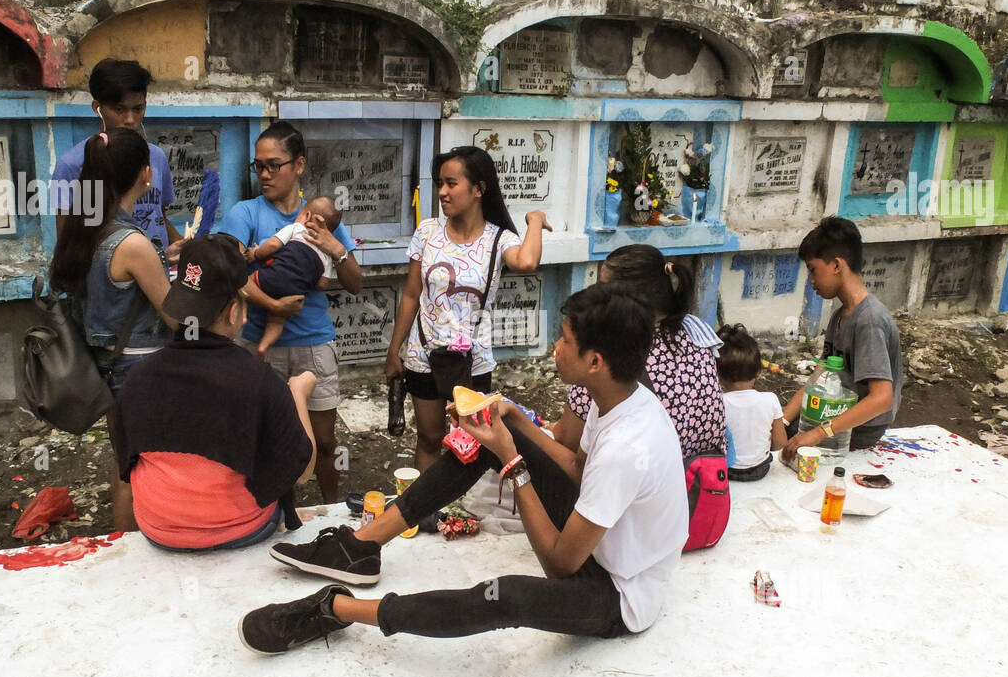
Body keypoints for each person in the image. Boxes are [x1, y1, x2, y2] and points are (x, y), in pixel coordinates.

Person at [239, 284, 687, 654]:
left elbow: (561, 564)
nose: (555, 348)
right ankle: (362, 545)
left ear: (594, 361)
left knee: (504, 597)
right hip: (599, 542)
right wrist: (510, 416)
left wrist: (513, 462)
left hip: (618, 592)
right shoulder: (618, 396)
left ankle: (335, 609)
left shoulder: (627, 448)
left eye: (566, 341)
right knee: (488, 436)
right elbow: (574, 467)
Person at [269, 243, 724, 584]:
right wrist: (519, 420)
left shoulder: (612, 375)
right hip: (698, 504)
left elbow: (570, 470)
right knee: (499, 427)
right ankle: (367, 544)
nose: (557, 345)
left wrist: (511, 452)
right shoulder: (698, 336)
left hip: (619, 532)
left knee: (493, 439)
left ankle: (364, 545)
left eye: (599, 291)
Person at [110, 235, 319, 552]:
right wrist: (297, 393)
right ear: (235, 312)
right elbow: (303, 470)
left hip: (158, 529)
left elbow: (129, 464)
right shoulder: (259, 380)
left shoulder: (138, 378)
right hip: (240, 529)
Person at [217, 122, 363, 504]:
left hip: (314, 344)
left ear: (299, 164)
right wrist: (272, 305)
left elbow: (354, 283)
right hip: (260, 346)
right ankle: (274, 514)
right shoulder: (245, 213)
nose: (264, 174)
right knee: (266, 438)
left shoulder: (320, 217)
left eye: (273, 165)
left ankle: (331, 510)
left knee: (326, 441)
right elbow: (228, 274)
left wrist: (335, 248)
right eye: (258, 166)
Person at [384, 146, 550, 471]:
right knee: (429, 439)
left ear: (478, 189)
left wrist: (534, 220)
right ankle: (427, 513)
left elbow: (527, 261)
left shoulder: (498, 239)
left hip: (472, 360)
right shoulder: (427, 232)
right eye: (440, 184)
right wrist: (394, 351)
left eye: (451, 183)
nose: (442, 192)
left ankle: (460, 514)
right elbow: (411, 295)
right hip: (424, 354)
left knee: (469, 442)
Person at [50, 129, 175, 532]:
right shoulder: (132, 243)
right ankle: (142, 545)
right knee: (148, 465)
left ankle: (123, 546)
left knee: (126, 463)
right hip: (142, 368)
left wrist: (162, 257)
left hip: (107, 364)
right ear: (146, 174)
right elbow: (174, 315)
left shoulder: (86, 230)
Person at [552, 244, 726, 460]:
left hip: (649, 481)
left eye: (602, 290)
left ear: (624, 303)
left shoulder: (610, 360)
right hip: (707, 478)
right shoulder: (697, 329)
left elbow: (566, 441)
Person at [781, 216, 903, 461]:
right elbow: (817, 378)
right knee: (776, 433)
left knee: (787, 446)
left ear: (837, 265)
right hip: (830, 408)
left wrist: (819, 432)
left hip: (861, 427)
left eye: (813, 270)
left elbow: (882, 398)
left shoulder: (868, 320)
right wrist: (782, 420)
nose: (812, 280)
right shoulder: (840, 314)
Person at [49, 58, 183, 260]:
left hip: (159, 272)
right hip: (109, 283)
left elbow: (159, 217)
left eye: (137, 109)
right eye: (119, 110)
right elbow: (67, 241)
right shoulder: (71, 165)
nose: (129, 119)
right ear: (98, 108)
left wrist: (185, 246)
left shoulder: (156, 157)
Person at [248, 196, 343, 358]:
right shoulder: (327, 255)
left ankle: (241, 317)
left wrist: (255, 254)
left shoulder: (296, 229)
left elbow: (272, 245)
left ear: (306, 216)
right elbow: (321, 284)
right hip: (293, 292)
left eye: (301, 213)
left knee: (246, 283)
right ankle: (264, 345)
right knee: (277, 320)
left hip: (271, 277)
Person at [717, 324, 786, 481]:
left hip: (728, 470)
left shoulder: (717, 403)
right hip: (761, 468)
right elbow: (780, 443)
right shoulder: (770, 399)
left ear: (718, 375)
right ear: (759, 372)